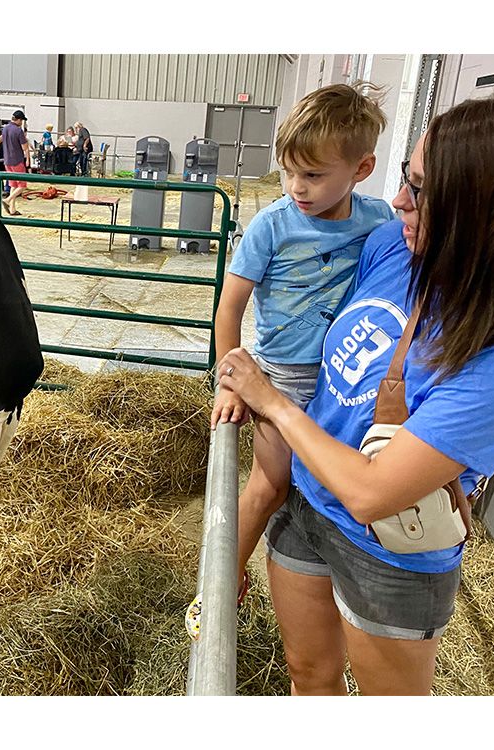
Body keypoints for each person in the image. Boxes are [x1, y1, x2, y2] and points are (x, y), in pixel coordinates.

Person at [216, 93, 494, 695]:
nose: (400, 200)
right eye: (406, 180)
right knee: (308, 674)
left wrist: (270, 399)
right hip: (307, 506)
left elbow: (370, 494)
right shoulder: (390, 245)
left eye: (423, 190)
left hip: (387, 552)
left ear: (483, 211)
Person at [211, 83, 393, 601]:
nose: (296, 186)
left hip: (348, 374)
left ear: (360, 169)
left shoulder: (378, 220)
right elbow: (230, 306)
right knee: (270, 483)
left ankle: (322, 577)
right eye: (289, 171)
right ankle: (222, 580)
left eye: (313, 175)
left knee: (325, 482)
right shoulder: (272, 225)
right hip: (284, 376)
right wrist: (228, 384)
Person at [0, 110, 30, 216]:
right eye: (22, 120)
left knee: (13, 185)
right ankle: (7, 200)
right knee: (22, 185)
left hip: (7, 161)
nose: (22, 122)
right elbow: (25, 147)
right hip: (17, 160)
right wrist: (28, 158)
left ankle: (12, 209)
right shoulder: (18, 131)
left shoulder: (5, 129)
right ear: (18, 120)